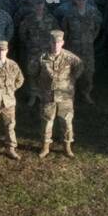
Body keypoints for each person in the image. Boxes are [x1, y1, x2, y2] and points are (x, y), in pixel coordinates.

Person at [30, 30, 83, 159]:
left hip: (65, 96)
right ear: (50, 42)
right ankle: (45, 147)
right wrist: (39, 86)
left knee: (66, 121)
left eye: (58, 42)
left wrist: (72, 79)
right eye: (53, 42)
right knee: (47, 121)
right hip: (47, 95)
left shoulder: (69, 57)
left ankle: (67, 146)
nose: (56, 45)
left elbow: (80, 66)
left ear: (62, 43)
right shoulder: (42, 57)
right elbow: (32, 71)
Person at [0, 40, 24, 161]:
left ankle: (11, 148)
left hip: (9, 102)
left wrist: (11, 89)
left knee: (10, 126)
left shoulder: (13, 65)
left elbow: (20, 79)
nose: (1, 52)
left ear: (7, 50)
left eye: (3, 50)